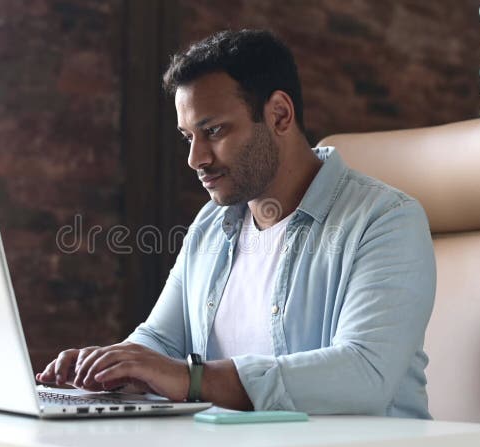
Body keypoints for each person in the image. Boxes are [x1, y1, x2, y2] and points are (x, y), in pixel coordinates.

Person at [36, 29, 436, 418]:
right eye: (187, 137)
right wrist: (109, 369)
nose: (196, 159)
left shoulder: (385, 220)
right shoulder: (212, 222)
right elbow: (161, 340)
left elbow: (363, 373)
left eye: (213, 131)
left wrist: (191, 379)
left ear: (279, 115)